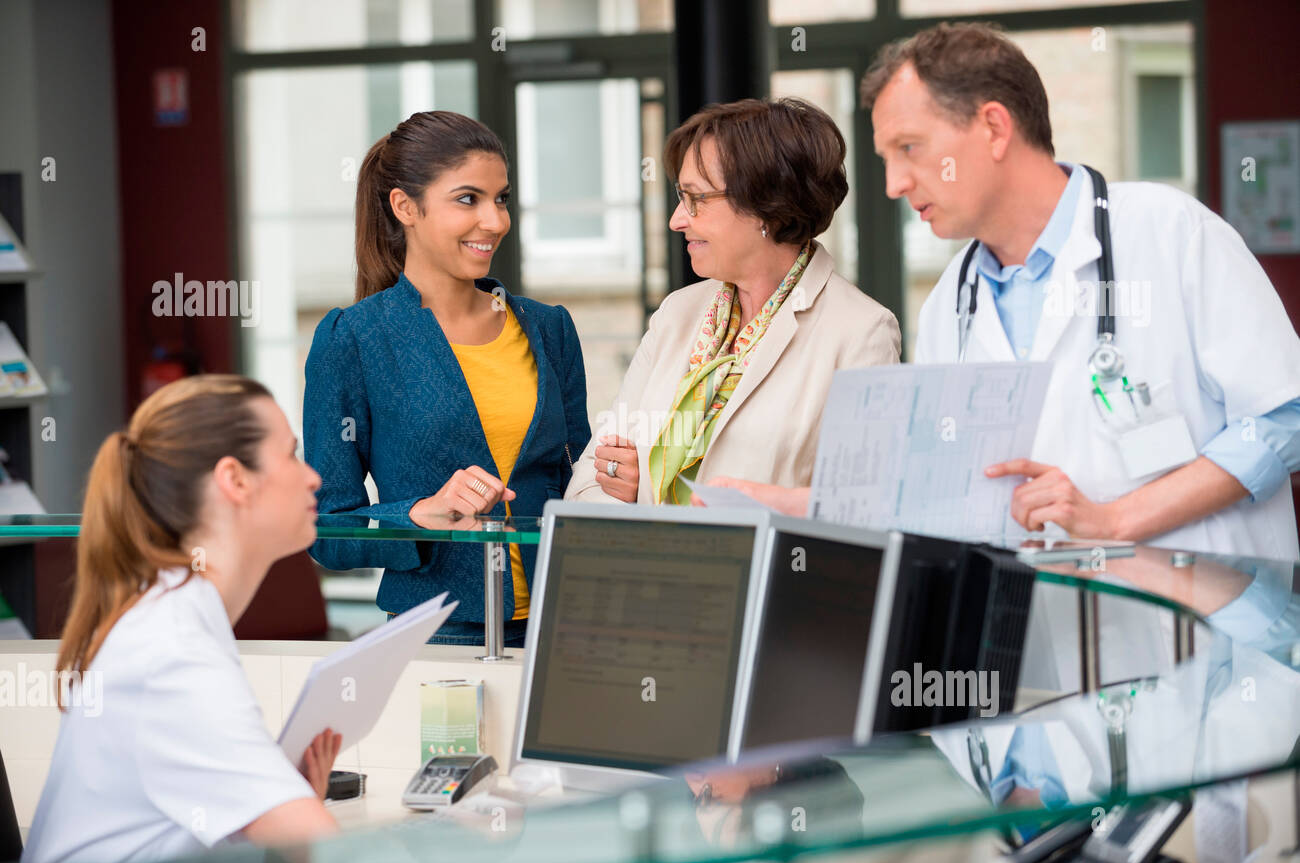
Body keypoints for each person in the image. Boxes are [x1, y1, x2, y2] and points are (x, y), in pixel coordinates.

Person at [710, 24, 1300, 561]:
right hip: (1052, 652)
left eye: (909, 149)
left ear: (993, 127)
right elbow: (949, 492)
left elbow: (1284, 417)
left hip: (1214, 638)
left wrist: (1115, 519)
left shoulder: (1169, 234)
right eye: (886, 159)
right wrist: (794, 507)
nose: (893, 184)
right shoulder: (950, 305)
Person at [23, 375, 341, 863]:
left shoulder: (177, 616)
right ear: (234, 480)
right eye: (291, 454)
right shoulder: (171, 652)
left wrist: (284, 810)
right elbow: (335, 854)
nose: (313, 477)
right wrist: (293, 818)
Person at [305, 111, 590, 646]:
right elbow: (325, 530)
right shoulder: (355, 339)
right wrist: (417, 514)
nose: (495, 221)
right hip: (438, 632)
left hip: (567, 624)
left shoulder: (549, 329)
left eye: (501, 198)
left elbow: (582, 478)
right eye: (468, 199)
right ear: (405, 207)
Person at [565, 98, 899, 506]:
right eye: (680, 195)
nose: (676, 220)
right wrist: (634, 491)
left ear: (767, 206)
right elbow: (586, 482)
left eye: (697, 198)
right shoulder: (677, 313)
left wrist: (648, 491)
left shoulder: (861, 331)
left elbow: (860, 506)